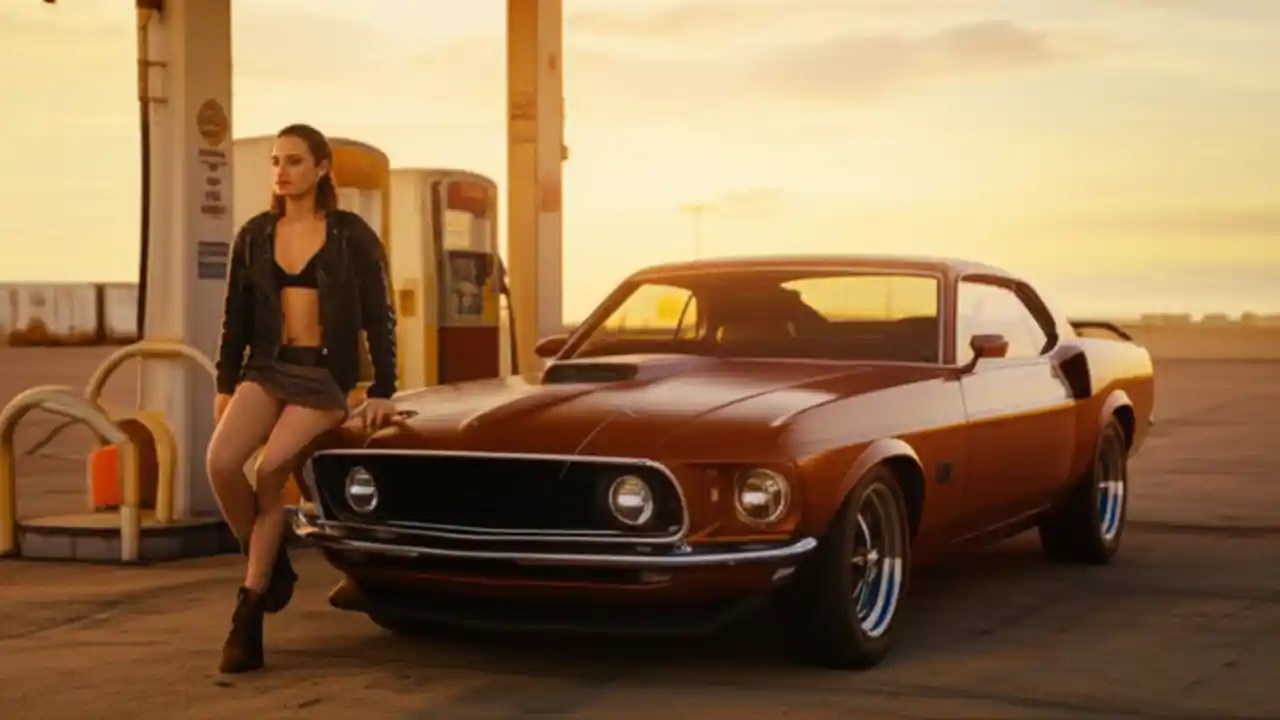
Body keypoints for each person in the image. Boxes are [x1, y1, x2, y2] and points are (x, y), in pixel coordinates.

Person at [205, 123, 402, 674]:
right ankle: (272, 567)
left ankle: (249, 612)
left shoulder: (350, 234)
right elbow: (235, 316)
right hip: (266, 368)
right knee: (220, 463)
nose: (282, 171)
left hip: (322, 379)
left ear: (320, 169)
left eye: (294, 161)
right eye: (275, 162)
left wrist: (384, 387)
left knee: (270, 473)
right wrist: (226, 382)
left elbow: (379, 316)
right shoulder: (254, 235)